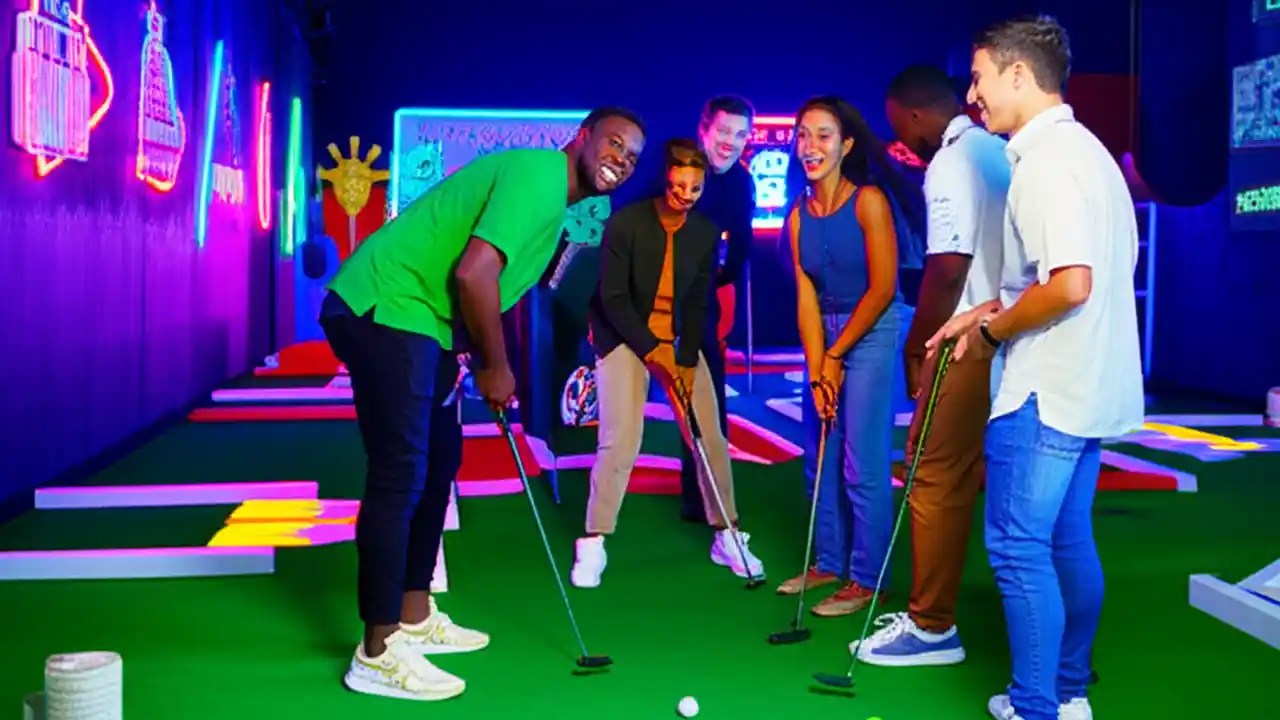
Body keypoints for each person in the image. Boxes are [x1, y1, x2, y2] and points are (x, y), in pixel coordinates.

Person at [319, 107, 647, 701]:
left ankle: (414, 614)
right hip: (387, 306)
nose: (620, 159)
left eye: (631, 156)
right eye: (613, 143)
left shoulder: (555, 210)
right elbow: (475, 274)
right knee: (400, 473)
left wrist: (470, 352)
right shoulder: (539, 176)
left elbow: (482, 285)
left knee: (442, 460)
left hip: (427, 321)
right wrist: (496, 366)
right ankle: (375, 651)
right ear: (582, 138)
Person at [927, 15, 1144, 720]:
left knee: (1020, 549)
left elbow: (1071, 284)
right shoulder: (1090, 154)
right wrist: (985, 306)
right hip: (1090, 386)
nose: (971, 95)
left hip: (1045, 391)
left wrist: (989, 333)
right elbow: (1057, 279)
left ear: (1018, 75)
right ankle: (1068, 692)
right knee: (1066, 540)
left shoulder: (1045, 163)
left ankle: (1034, 705)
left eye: (981, 77)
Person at [850, 65, 1011, 666]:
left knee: (933, 474)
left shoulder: (949, 160)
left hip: (968, 336)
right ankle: (1050, 643)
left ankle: (931, 626)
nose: (904, 141)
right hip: (1009, 331)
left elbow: (947, 267)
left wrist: (919, 345)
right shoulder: (998, 150)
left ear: (915, 115)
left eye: (900, 126)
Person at [570, 138, 765, 588]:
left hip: (675, 339)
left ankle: (727, 534)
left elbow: (698, 302)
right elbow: (612, 299)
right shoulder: (627, 223)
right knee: (622, 440)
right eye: (679, 186)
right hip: (623, 336)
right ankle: (594, 540)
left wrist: (687, 357)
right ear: (667, 180)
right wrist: (653, 352)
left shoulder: (702, 232)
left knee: (709, 435)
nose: (686, 195)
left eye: (694, 189)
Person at [774, 96, 909, 617]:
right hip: (826, 334)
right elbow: (806, 296)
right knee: (820, 453)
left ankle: (867, 579)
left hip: (872, 331)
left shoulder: (869, 200)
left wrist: (836, 354)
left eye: (823, 135)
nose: (810, 146)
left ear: (846, 144)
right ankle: (828, 563)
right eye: (803, 134)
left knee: (862, 462)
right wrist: (817, 368)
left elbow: (881, 290)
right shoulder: (797, 217)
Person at [675, 95, 757, 524]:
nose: (731, 142)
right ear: (704, 129)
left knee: (707, 405)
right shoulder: (675, 168)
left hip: (698, 304)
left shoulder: (741, 183)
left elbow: (741, 248)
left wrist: (713, 282)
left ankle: (703, 500)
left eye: (741, 134)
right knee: (627, 410)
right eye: (724, 131)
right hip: (646, 299)